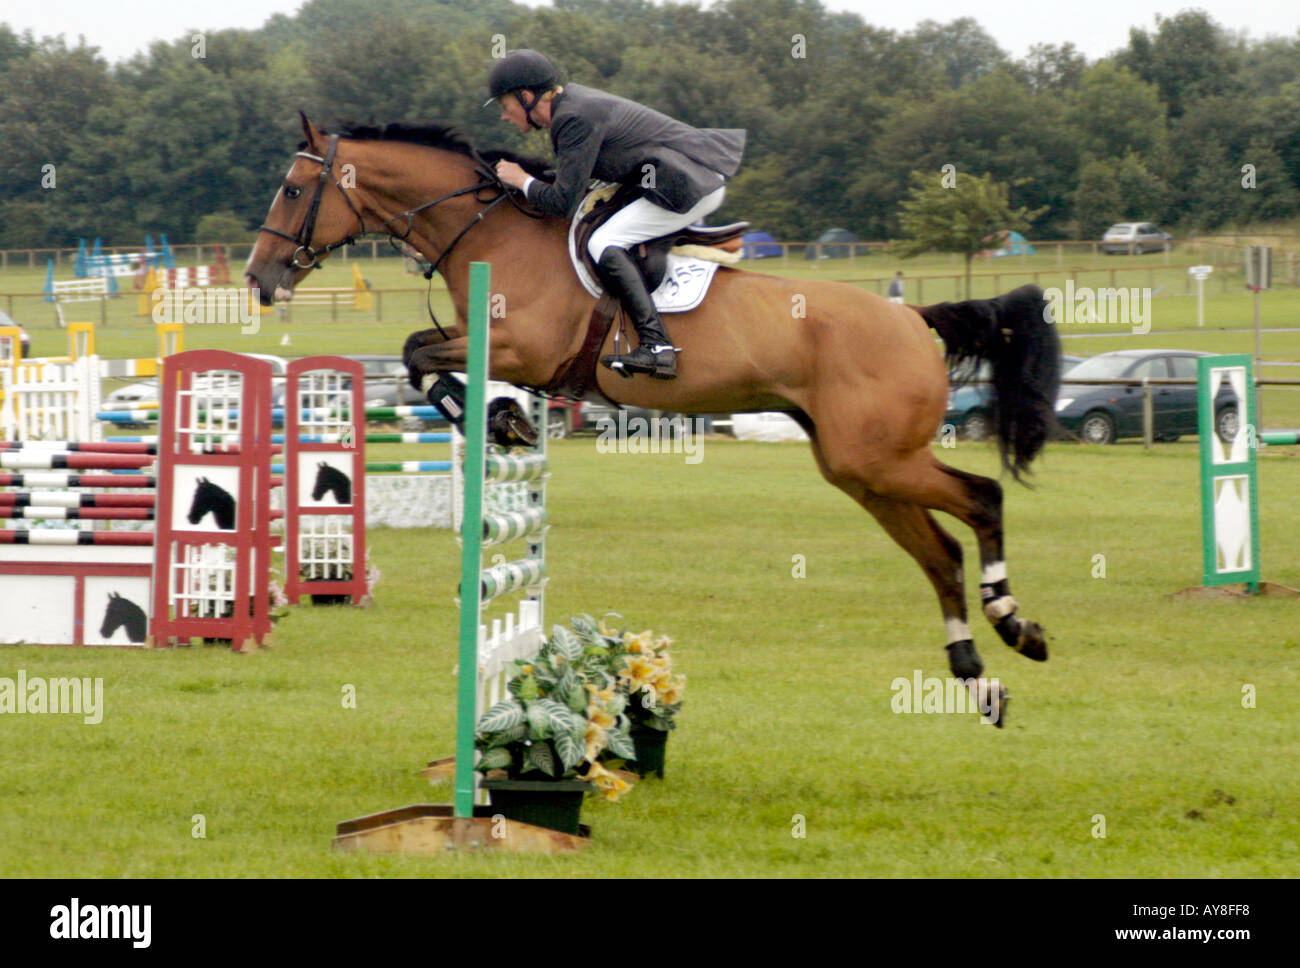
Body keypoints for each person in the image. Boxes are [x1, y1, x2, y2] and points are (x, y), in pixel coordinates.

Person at [487, 50, 745, 380]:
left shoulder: (573, 118)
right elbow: (572, 180)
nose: (504, 116)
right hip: (677, 177)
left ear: (526, 97)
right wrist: (526, 182)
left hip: (687, 187)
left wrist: (522, 180)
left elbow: (563, 201)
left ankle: (657, 346)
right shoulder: (574, 107)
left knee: (603, 242)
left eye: (504, 105)